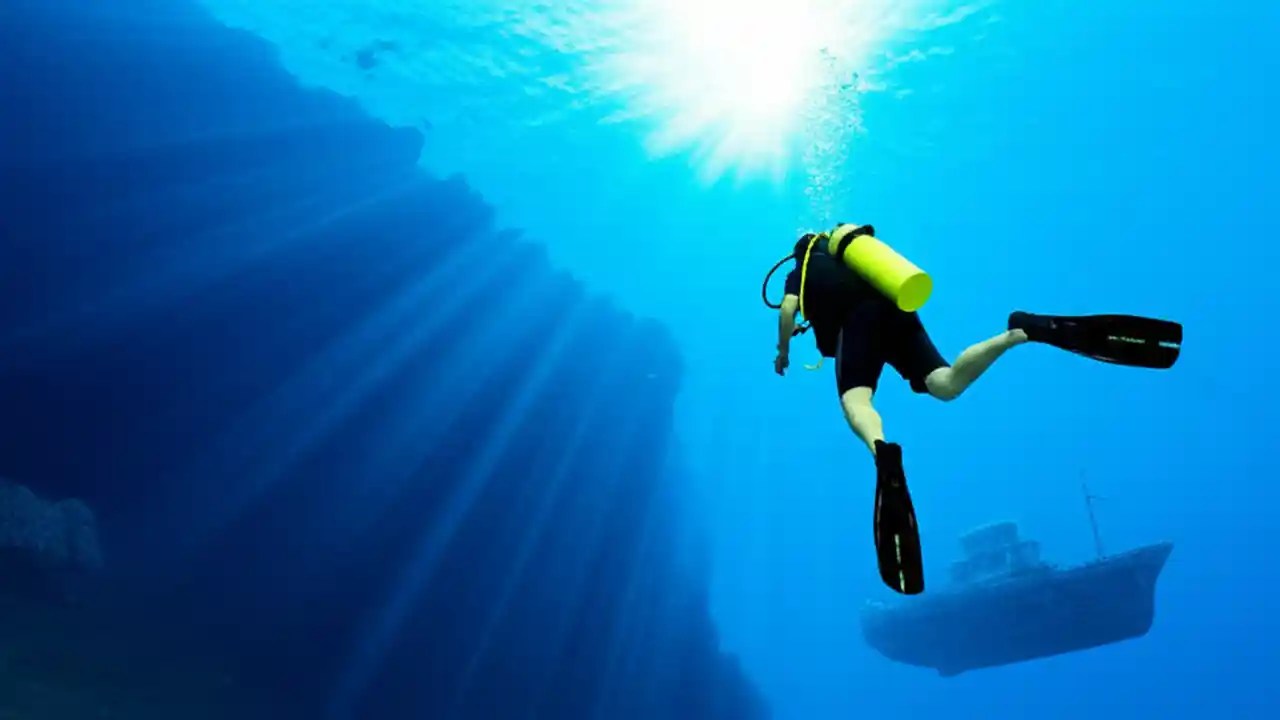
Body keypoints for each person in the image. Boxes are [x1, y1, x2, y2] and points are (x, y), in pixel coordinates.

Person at [769, 223, 1182, 595]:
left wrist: (783, 350)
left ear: (799, 253)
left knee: (857, 400)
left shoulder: (800, 272)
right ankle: (1020, 333)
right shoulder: (859, 259)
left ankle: (881, 450)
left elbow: (788, 311)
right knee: (945, 384)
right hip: (895, 308)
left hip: (856, 323)